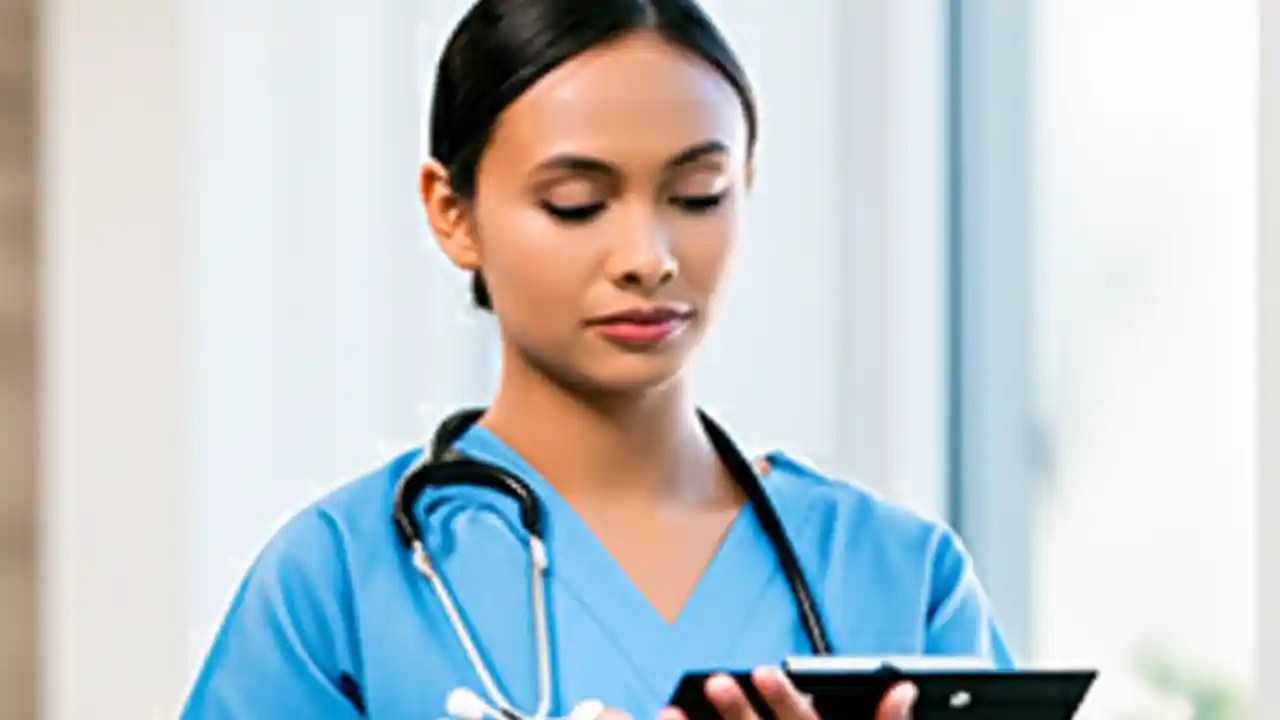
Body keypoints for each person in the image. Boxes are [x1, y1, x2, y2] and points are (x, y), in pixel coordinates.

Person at [181, 1, 1012, 718]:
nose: (647, 257)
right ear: (451, 212)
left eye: (698, 197)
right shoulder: (340, 585)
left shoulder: (901, 578)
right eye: (576, 204)